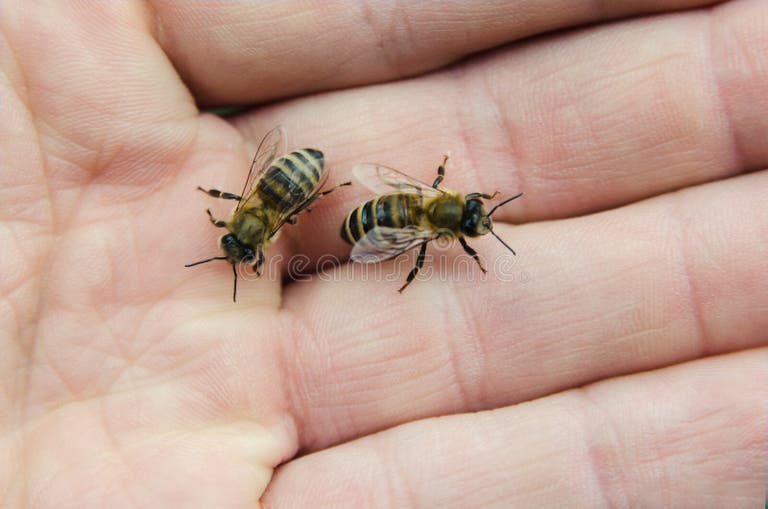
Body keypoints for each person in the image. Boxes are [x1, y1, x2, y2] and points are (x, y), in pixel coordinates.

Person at [1, 1, 766, 507]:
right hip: (352, 200)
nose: (473, 219)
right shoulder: (404, 227)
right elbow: (353, 212)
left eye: (476, 222)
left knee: (377, 221)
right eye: (475, 220)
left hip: (359, 200)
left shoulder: (417, 215)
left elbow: (368, 203)